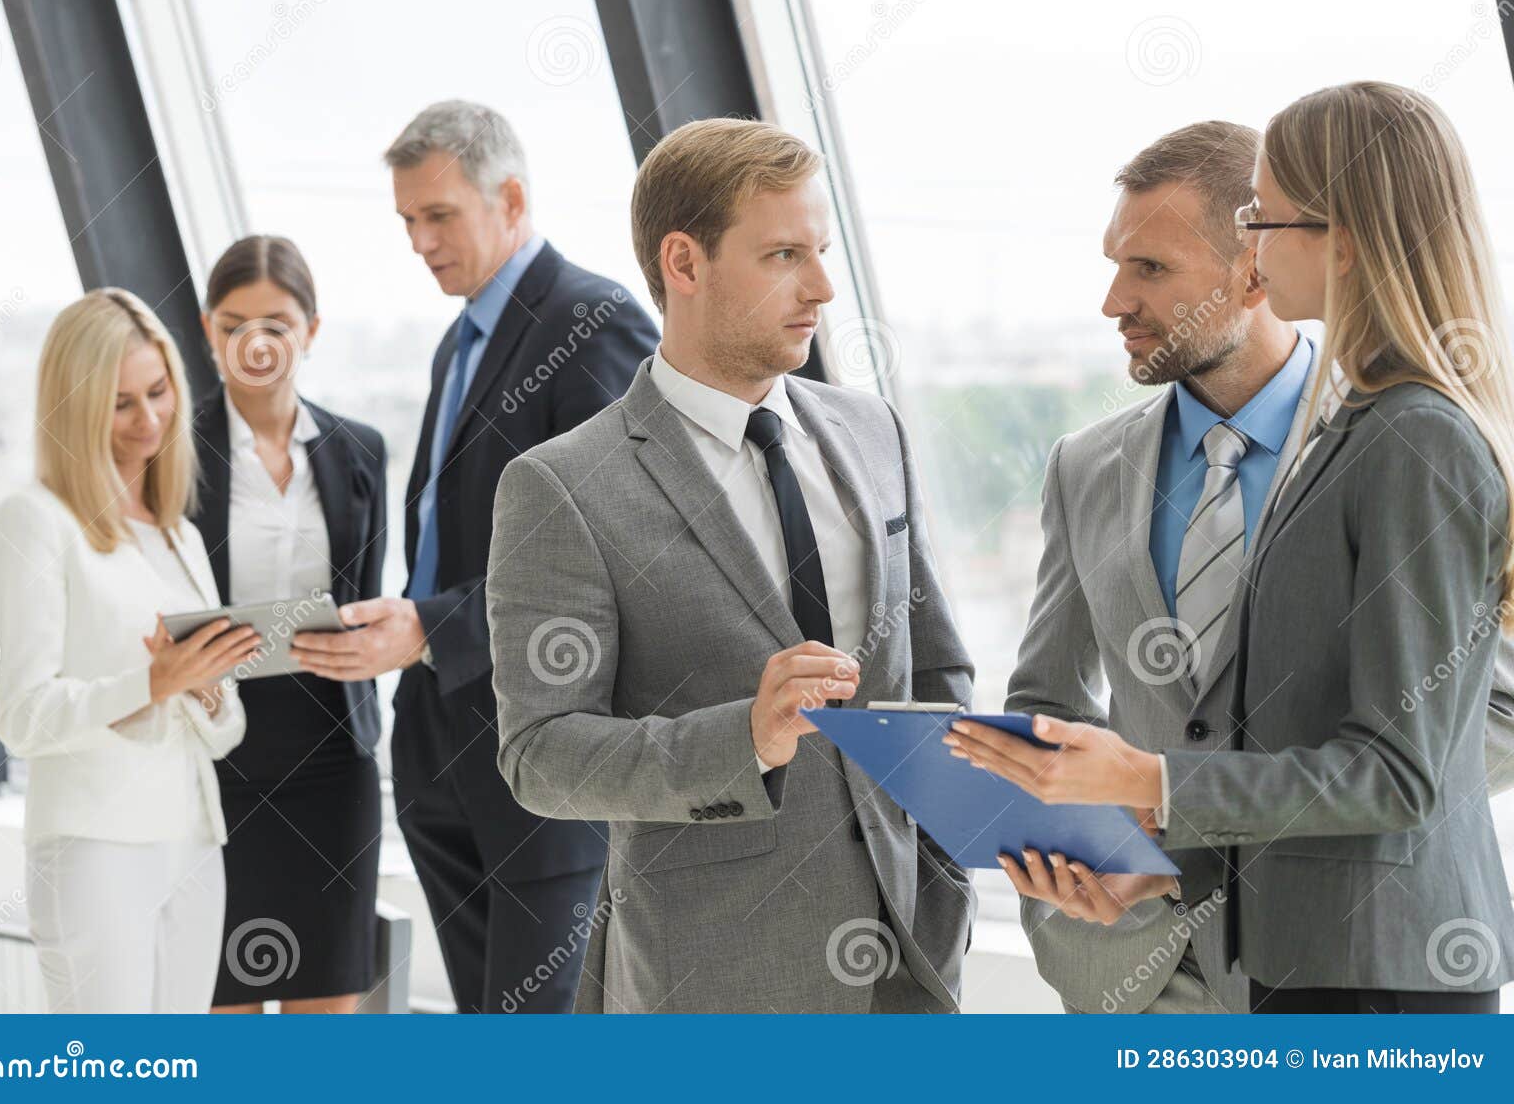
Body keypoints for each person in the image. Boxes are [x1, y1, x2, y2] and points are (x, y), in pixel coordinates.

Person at [947, 81, 1514, 1013]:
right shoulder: (1356, 436)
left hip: (1371, 961)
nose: (1114, 300)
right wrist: (1157, 856)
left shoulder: (1411, 440)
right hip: (1250, 956)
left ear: (1337, 237)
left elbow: (1411, 766)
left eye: (1266, 218)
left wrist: (1153, 785)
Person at [486, 117, 976, 1013]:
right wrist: (745, 739)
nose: (824, 286)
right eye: (785, 255)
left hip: (912, 958)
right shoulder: (561, 486)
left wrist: (950, 865)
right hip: (713, 980)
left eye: (822, 250)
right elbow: (540, 756)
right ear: (684, 262)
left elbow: (936, 667)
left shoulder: (873, 433)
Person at [290, 100, 658, 1013]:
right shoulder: (458, 342)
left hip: (541, 761)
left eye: (439, 216)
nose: (419, 242)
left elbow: (617, 546)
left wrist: (431, 625)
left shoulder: (594, 320)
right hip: (440, 748)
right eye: (408, 222)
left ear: (512, 198)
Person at [0, 288, 258, 1012]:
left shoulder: (179, 536)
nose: (150, 420)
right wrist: (153, 681)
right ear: (74, 404)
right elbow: (23, 715)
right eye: (121, 402)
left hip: (194, 840)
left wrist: (201, 687)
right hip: (95, 847)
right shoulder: (35, 521)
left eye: (159, 392)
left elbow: (225, 730)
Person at [190, 235, 388, 1014]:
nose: (256, 342)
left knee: (329, 1011)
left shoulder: (358, 452)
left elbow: (366, 600)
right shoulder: (174, 454)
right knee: (225, 1010)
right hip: (217, 762)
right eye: (235, 323)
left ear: (310, 328)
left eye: (276, 320)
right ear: (210, 331)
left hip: (332, 764)